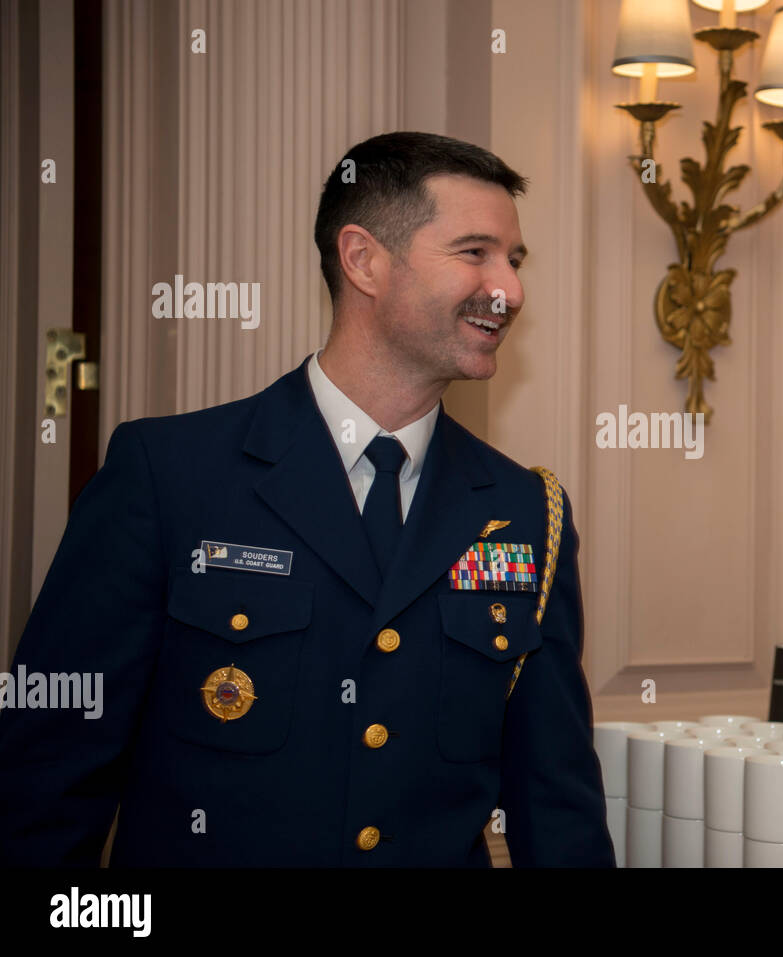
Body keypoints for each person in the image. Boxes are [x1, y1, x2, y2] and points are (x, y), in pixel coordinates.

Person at [0, 131, 616, 867]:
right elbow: (48, 781)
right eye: (475, 252)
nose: (509, 289)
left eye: (514, 261)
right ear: (364, 260)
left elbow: (556, 805)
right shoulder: (170, 474)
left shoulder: (523, 509)